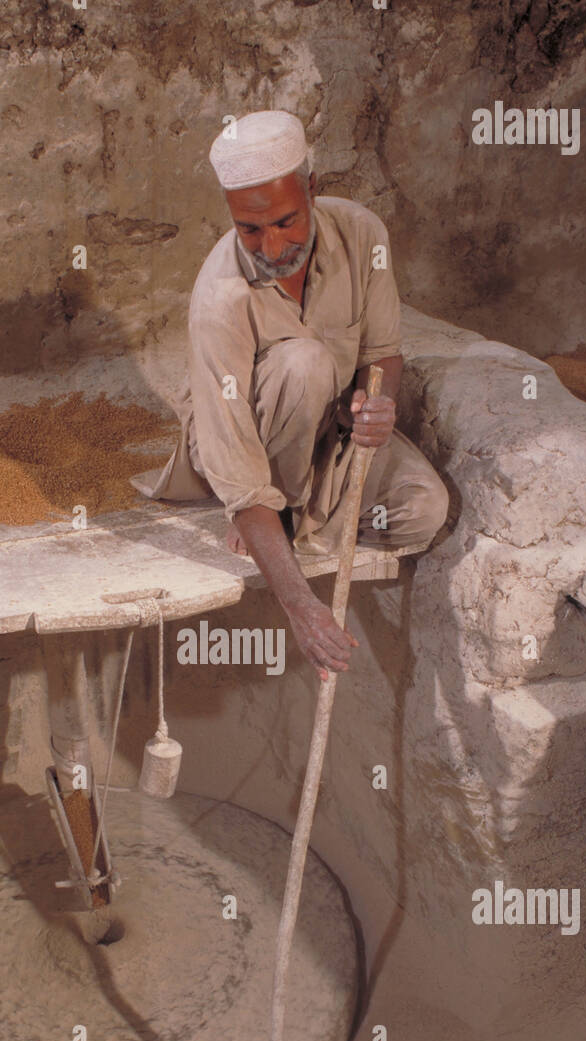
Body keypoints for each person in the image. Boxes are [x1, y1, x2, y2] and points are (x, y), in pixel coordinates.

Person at [131, 110, 450, 676]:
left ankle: (296, 518)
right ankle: (270, 521)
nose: (272, 246)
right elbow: (235, 457)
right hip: (247, 445)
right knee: (303, 365)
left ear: (312, 189)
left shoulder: (362, 233)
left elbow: (382, 354)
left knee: (422, 512)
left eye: (285, 221)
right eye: (250, 230)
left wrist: (379, 407)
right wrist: (301, 606)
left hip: (328, 433)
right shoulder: (218, 300)